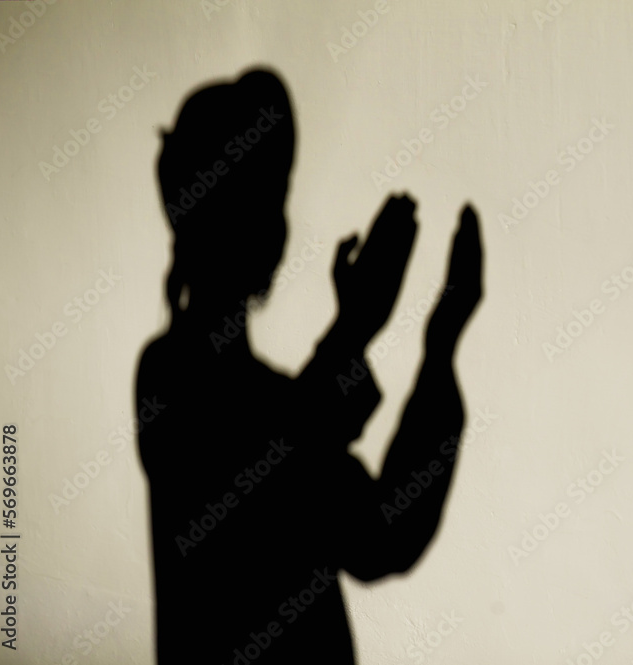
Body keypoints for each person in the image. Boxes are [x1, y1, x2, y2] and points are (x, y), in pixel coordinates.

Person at [136, 68, 482, 664]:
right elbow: (271, 464)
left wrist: (439, 351)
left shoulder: (261, 395)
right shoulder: (170, 379)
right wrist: (355, 328)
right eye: (263, 195)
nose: (276, 219)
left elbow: (380, 533)